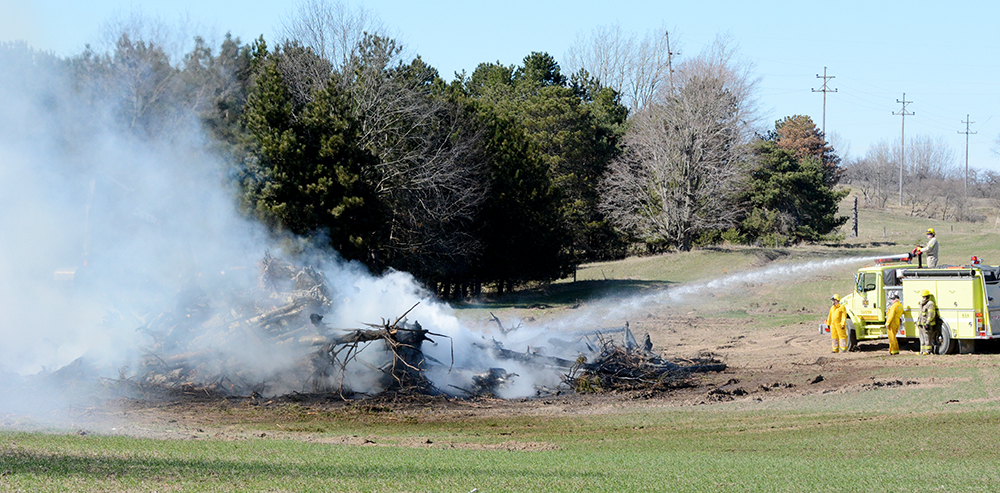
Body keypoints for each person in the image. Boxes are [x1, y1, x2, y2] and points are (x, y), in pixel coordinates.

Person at [917, 289, 938, 355]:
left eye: (924, 297)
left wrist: (927, 323)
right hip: (921, 324)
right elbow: (920, 314)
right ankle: (922, 351)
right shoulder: (921, 304)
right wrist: (918, 322)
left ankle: (928, 351)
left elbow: (931, 314)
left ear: (927, 297)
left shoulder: (930, 304)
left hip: (926, 324)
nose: (923, 298)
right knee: (921, 338)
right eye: (922, 297)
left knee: (927, 338)